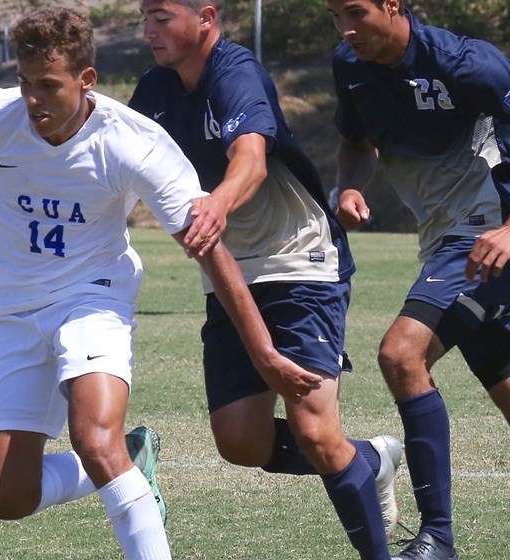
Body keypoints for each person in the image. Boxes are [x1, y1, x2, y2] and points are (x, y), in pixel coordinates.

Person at [0, 8, 327, 559]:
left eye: (48, 86)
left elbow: (209, 249)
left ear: (87, 80)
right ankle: (132, 457)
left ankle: (123, 483)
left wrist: (262, 351)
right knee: (5, 495)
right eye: (25, 84)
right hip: (10, 310)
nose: (33, 100)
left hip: (92, 298)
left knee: (93, 438)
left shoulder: (133, 143)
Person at [129, 2, 403, 558]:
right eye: (144, 18)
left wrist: (217, 205)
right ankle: (370, 459)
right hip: (228, 273)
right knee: (239, 442)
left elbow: (250, 158)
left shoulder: (236, 73)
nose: (149, 31)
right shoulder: (154, 91)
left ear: (206, 18)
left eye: (161, 17)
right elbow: (120, 157)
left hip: (297, 261)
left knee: (315, 432)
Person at [327, 1, 510, 558]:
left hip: (485, 240)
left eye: (356, 11)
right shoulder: (350, 64)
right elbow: (356, 145)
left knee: (401, 355)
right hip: (446, 241)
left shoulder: (469, 66)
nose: (346, 27)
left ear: (392, 5)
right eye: (335, 14)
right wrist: (348, 187)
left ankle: (438, 537)